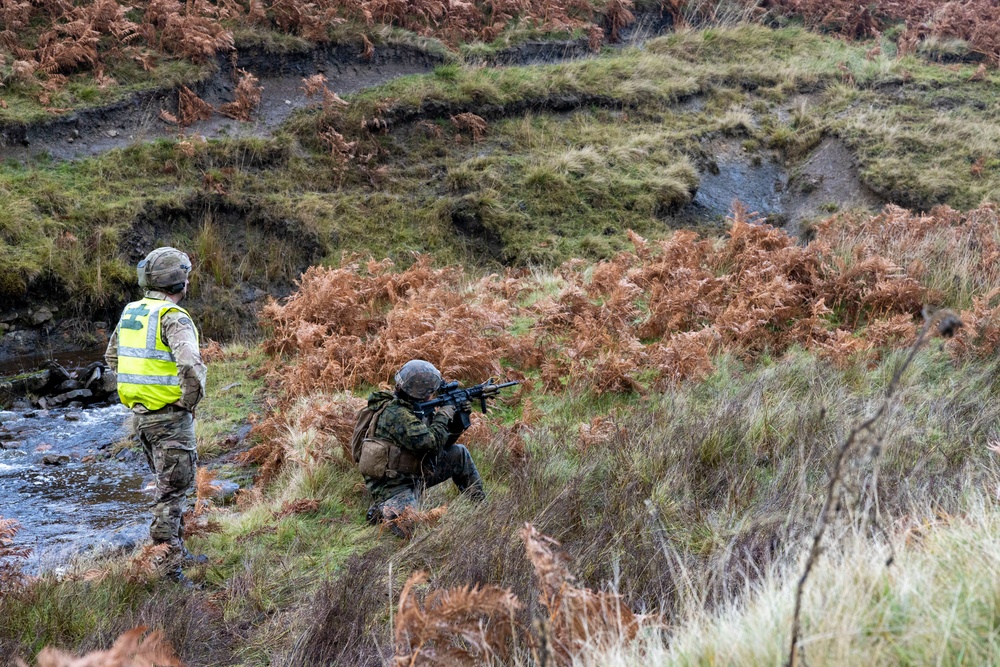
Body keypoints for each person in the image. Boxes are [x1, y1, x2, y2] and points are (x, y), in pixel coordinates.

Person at [105, 247, 207, 582]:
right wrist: (187, 402)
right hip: (170, 418)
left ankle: (177, 552)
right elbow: (190, 365)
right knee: (172, 492)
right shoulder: (173, 317)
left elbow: (113, 358)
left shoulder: (132, 311)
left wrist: (139, 393)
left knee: (168, 487)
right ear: (179, 281)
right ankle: (168, 567)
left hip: (141, 419)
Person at [360, 360, 485, 537]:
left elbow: (441, 444)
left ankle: (482, 507)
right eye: (430, 392)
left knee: (459, 453)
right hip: (392, 484)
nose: (432, 395)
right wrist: (444, 413)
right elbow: (430, 444)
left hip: (413, 474)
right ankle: (383, 508)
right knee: (410, 530)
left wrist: (457, 419)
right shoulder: (397, 414)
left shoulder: (414, 409)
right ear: (421, 393)